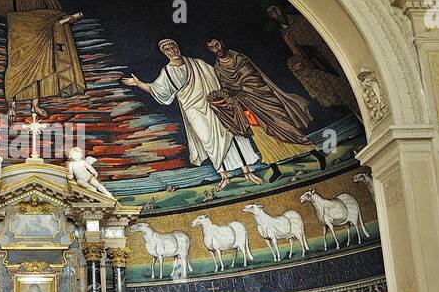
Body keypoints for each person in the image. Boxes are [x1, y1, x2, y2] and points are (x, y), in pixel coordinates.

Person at [123, 38, 262, 190]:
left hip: (214, 105)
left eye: (174, 47)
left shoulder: (196, 63)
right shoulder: (168, 72)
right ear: (164, 53)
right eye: (168, 49)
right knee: (209, 141)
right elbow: (157, 90)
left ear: (178, 47)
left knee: (231, 134)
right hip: (194, 110)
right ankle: (224, 176)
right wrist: (138, 83)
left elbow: (217, 77)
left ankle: (247, 172)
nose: (172, 51)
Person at [205, 37, 325, 182]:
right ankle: (275, 169)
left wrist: (235, 91)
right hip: (245, 105)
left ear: (222, 43)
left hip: (262, 99)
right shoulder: (218, 68)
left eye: (217, 45)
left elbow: (251, 78)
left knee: (284, 126)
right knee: (261, 137)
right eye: (212, 47)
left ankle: (316, 154)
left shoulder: (239, 59)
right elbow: (226, 87)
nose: (216, 49)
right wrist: (223, 97)